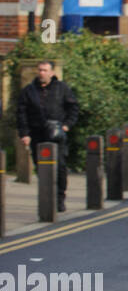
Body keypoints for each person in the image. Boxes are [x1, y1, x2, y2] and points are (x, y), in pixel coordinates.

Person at [16, 60, 80, 212]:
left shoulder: (62, 88)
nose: (41, 73)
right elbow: (21, 113)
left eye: (45, 70)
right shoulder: (29, 91)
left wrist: (67, 125)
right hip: (37, 134)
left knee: (60, 166)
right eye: (40, 70)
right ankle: (47, 198)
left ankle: (59, 198)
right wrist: (24, 133)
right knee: (41, 168)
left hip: (57, 134)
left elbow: (73, 107)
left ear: (52, 72)